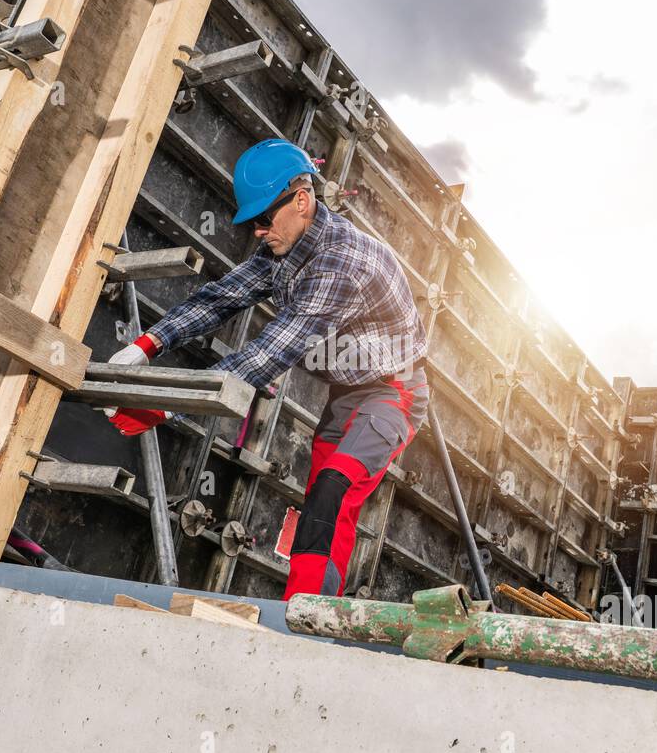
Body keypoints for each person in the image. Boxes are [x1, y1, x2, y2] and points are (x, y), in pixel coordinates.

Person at [106, 139, 428, 600]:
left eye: (263, 219)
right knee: (329, 502)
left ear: (301, 201)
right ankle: (321, 609)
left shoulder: (340, 264)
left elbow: (268, 356)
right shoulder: (286, 247)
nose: (258, 231)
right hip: (347, 393)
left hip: (393, 395)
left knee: (331, 492)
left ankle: (302, 619)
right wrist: (147, 344)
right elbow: (222, 298)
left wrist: (168, 407)